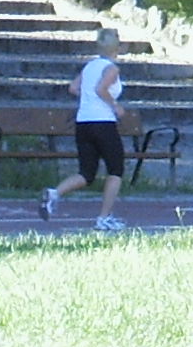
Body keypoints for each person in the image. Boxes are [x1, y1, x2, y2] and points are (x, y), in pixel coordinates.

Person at [40, 27, 130, 230]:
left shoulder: (89, 66)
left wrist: (88, 99)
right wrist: (115, 106)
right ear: (116, 48)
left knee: (86, 173)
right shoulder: (112, 68)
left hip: (83, 123)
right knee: (116, 169)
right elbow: (101, 89)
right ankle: (104, 217)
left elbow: (73, 88)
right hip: (103, 122)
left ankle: (54, 193)